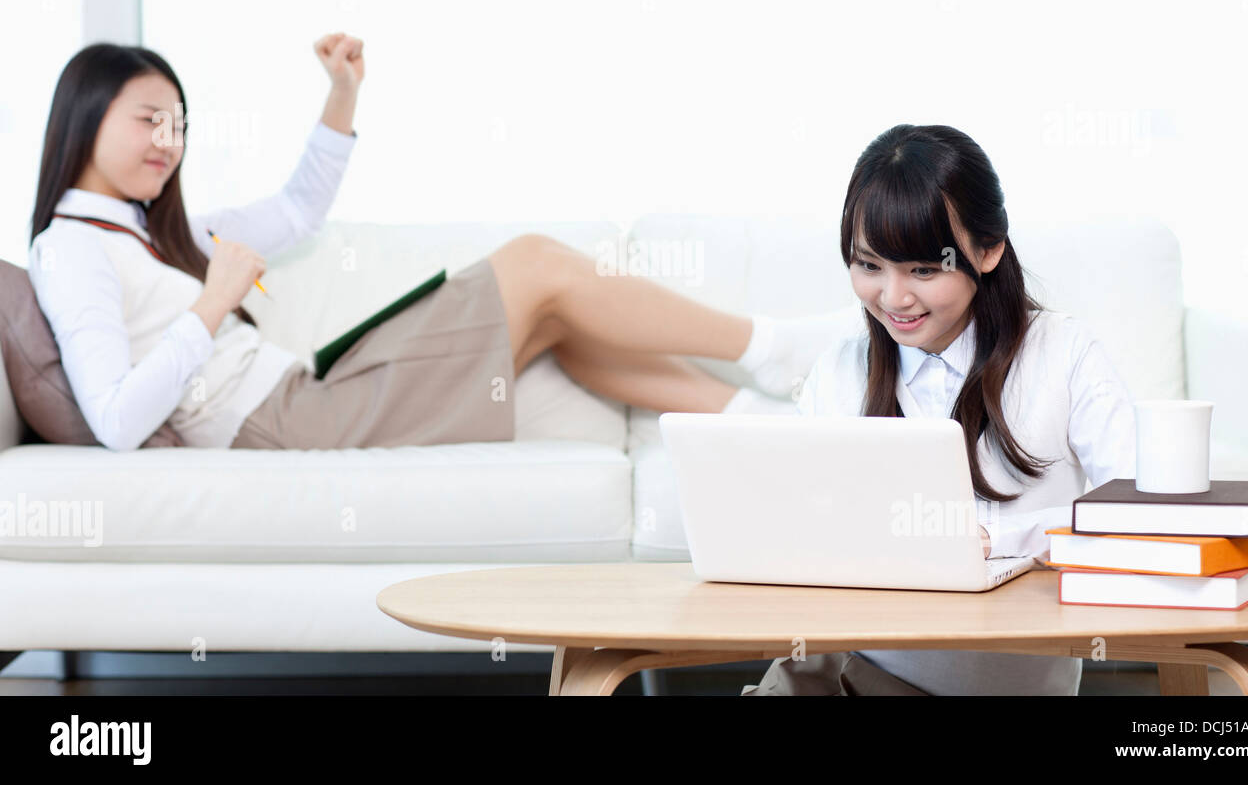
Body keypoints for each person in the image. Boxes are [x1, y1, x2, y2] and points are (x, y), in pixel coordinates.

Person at [27, 35, 860, 452]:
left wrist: (343, 92)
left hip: (310, 383)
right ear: (84, 117)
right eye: (147, 119)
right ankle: (774, 347)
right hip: (284, 423)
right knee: (534, 262)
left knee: (563, 322)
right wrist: (211, 305)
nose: (167, 140)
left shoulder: (158, 233)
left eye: (178, 123)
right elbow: (113, 420)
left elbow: (298, 209)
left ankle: (765, 423)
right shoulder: (69, 251)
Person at [741, 123, 1138, 696]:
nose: (894, 298)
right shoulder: (840, 373)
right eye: (869, 265)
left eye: (924, 270)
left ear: (989, 249)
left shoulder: (1064, 355)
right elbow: (800, 533)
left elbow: (1140, 522)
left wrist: (1001, 538)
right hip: (852, 678)